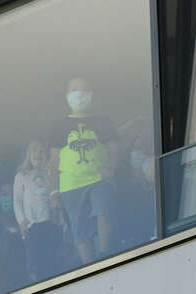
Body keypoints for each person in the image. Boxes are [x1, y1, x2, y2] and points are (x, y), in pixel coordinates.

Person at [50, 77, 118, 263]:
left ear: (91, 94)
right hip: (71, 184)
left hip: (99, 178)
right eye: (74, 89)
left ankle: (105, 255)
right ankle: (89, 266)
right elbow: (54, 160)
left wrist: (111, 168)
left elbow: (113, 148)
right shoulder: (59, 126)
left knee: (103, 209)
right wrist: (54, 190)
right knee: (80, 229)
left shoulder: (103, 121)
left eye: (83, 88)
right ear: (66, 95)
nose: (79, 93)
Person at [13, 140, 64, 281]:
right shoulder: (22, 175)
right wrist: (22, 220)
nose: (39, 154)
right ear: (29, 155)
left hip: (52, 221)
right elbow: (17, 201)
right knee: (35, 259)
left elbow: (57, 193)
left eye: (42, 151)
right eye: (35, 151)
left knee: (52, 256)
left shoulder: (52, 174)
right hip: (32, 223)